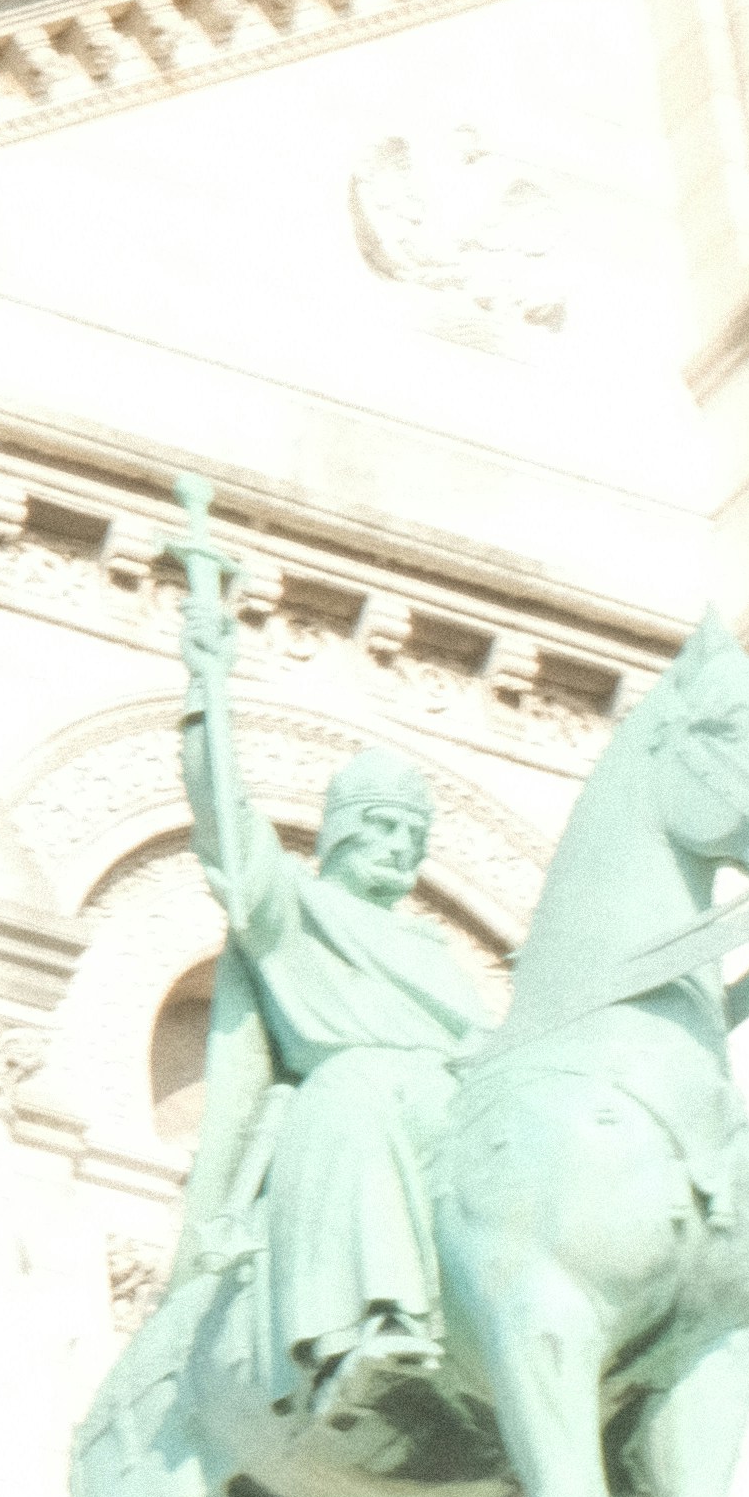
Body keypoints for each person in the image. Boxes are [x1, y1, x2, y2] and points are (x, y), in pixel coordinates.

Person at [164, 499, 489, 1386]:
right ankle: (377, 1322)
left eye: (412, 836)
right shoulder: (296, 912)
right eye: (382, 827)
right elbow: (227, 826)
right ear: (342, 832)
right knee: (353, 1085)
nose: (400, 846)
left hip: (451, 1106)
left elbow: (482, 1049)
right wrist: (207, 690)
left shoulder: (434, 953)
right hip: (357, 1102)